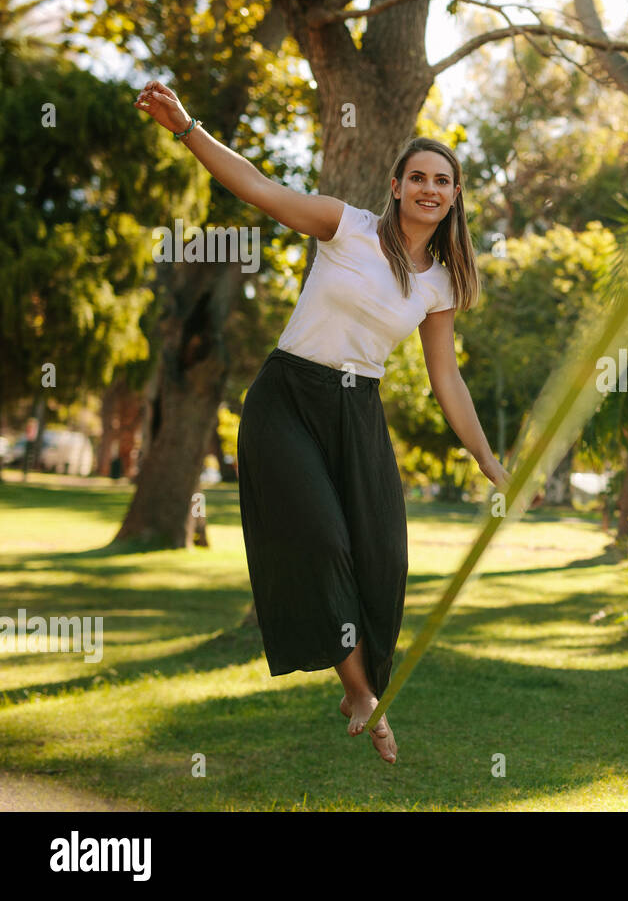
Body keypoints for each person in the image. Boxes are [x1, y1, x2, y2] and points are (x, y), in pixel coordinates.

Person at [134, 80, 510, 764]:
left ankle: (359, 682)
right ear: (395, 186)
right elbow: (257, 186)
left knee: (384, 557)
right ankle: (358, 690)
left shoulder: (440, 283)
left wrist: (487, 458)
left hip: (357, 410)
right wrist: (187, 126)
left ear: (454, 197)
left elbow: (445, 377)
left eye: (443, 182)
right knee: (323, 539)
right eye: (418, 177)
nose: (430, 188)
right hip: (287, 400)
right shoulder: (348, 226)